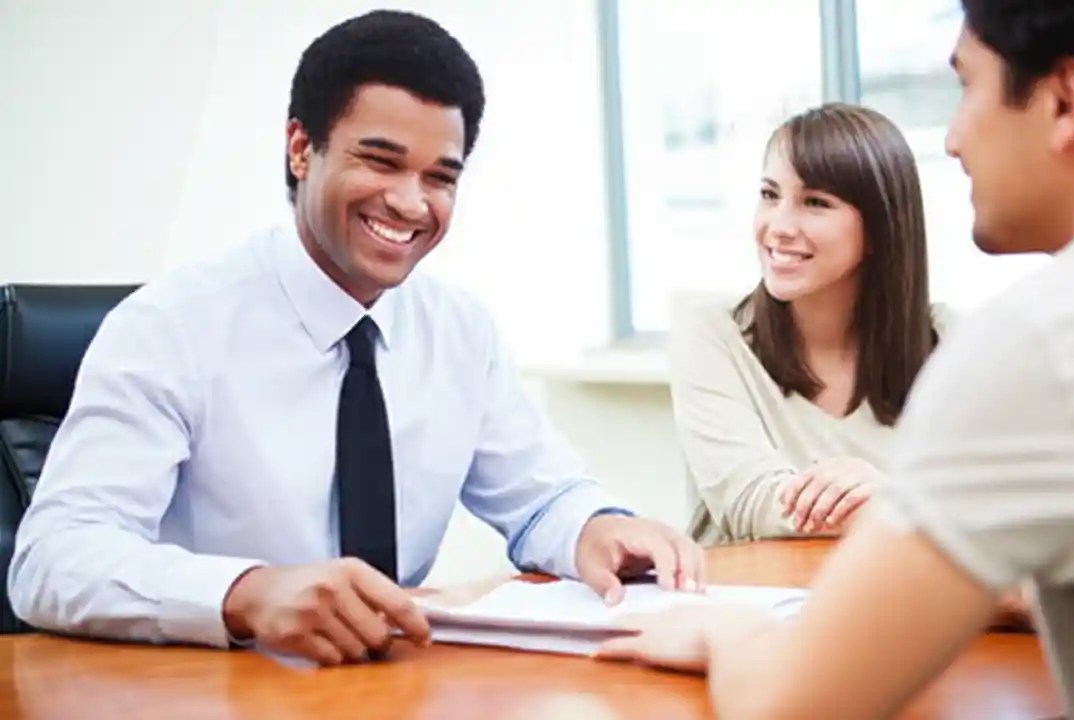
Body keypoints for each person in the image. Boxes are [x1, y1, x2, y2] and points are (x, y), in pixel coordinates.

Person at [596, 1, 1074, 718]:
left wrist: (726, 631)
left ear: (1066, 100)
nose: (953, 140)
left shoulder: (1049, 341)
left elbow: (790, 705)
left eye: (967, 86)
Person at [7, 10, 703, 667]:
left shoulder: (457, 328)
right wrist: (247, 593)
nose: (410, 202)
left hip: (386, 684)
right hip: (214, 684)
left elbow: (541, 495)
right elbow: (53, 560)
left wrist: (593, 527)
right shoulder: (171, 326)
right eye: (380, 161)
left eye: (440, 177)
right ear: (301, 148)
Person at [669, 104, 945, 547]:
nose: (778, 226)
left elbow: (992, 506)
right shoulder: (711, 334)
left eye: (815, 203)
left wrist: (890, 498)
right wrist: (892, 505)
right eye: (769, 194)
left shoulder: (948, 342)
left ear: (880, 226)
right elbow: (751, 502)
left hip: (890, 605)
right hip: (746, 606)